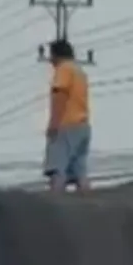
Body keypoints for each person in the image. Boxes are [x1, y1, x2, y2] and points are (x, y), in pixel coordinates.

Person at [43, 38, 92, 192]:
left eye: (51, 56)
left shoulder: (63, 69)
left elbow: (60, 96)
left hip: (66, 125)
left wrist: (53, 124)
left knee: (57, 169)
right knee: (80, 172)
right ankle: (89, 204)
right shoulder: (80, 72)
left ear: (57, 55)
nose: (50, 60)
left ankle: (54, 206)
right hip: (83, 126)